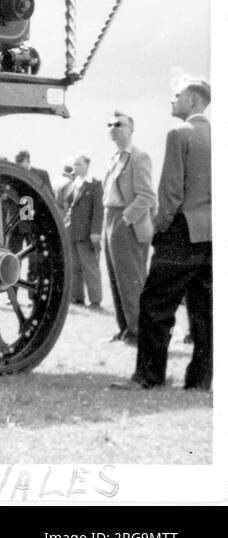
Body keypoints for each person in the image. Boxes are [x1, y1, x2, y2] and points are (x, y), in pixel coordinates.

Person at [114, 77, 212, 390]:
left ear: (194, 101)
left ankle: (148, 377)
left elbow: (170, 190)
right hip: (213, 233)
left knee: (155, 305)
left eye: (177, 95)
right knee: (205, 311)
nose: (172, 100)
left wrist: (160, 228)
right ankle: (200, 381)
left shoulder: (178, 133)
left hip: (181, 230)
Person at [99, 111, 156, 346]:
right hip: (109, 217)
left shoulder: (138, 156)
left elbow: (147, 196)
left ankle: (137, 332)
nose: (113, 128)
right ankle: (124, 329)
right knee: (116, 278)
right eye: (110, 124)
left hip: (126, 221)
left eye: (119, 124)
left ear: (131, 129)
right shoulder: (114, 156)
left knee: (131, 280)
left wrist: (126, 218)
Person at [61, 154, 103, 308]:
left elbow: (98, 210)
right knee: (75, 266)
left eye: (78, 164)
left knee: (90, 267)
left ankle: (95, 299)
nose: (75, 167)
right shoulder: (73, 184)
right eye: (74, 164)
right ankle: (77, 298)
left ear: (87, 165)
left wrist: (96, 232)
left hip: (87, 233)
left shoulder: (95, 184)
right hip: (72, 231)